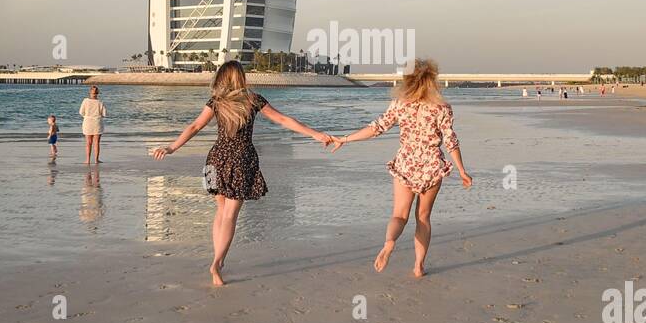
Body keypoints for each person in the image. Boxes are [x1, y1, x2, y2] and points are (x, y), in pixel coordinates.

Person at [151, 61, 333, 286]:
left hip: (214, 161)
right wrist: (315, 134)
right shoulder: (253, 100)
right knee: (230, 215)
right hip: (241, 160)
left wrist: (171, 147)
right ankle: (218, 262)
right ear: (241, 77)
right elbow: (284, 120)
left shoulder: (216, 102)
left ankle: (218, 259)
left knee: (220, 210)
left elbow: (195, 126)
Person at [331, 59, 472, 278]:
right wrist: (462, 170)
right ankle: (418, 266)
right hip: (431, 165)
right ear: (431, 80)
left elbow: (376, 128)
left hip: (405, 164)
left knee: (399, 214)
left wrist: (345, 139)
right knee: (423, 217)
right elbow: (450, 140)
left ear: (408, 81)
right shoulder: (442, 108)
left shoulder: (400, 104)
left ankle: (389, 244)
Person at [79, 86, 107, 164]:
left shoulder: (85, 101)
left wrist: (87, 116)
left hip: (87, 122)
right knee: (96, 143)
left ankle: (87, 160)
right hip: (97, 122)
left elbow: (81, 112)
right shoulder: (100, 102)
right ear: (98, 93)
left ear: (90, 93)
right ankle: (96, 160)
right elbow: (104, 114)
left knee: (88, 142)